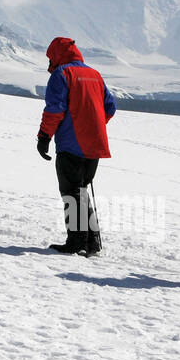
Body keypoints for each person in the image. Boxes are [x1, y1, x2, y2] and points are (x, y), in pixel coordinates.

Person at [36, 37, 115, 255]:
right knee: (82, 190)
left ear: (56, 55)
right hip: (95, 142)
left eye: (51, 56)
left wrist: (44, 136)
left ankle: (77, 241)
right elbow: (110, 107)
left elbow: (55, 110)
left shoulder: (62, 74)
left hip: (72, 142)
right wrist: (94, 123)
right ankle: (92, 241)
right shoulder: (94, 74)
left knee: (71, 191)